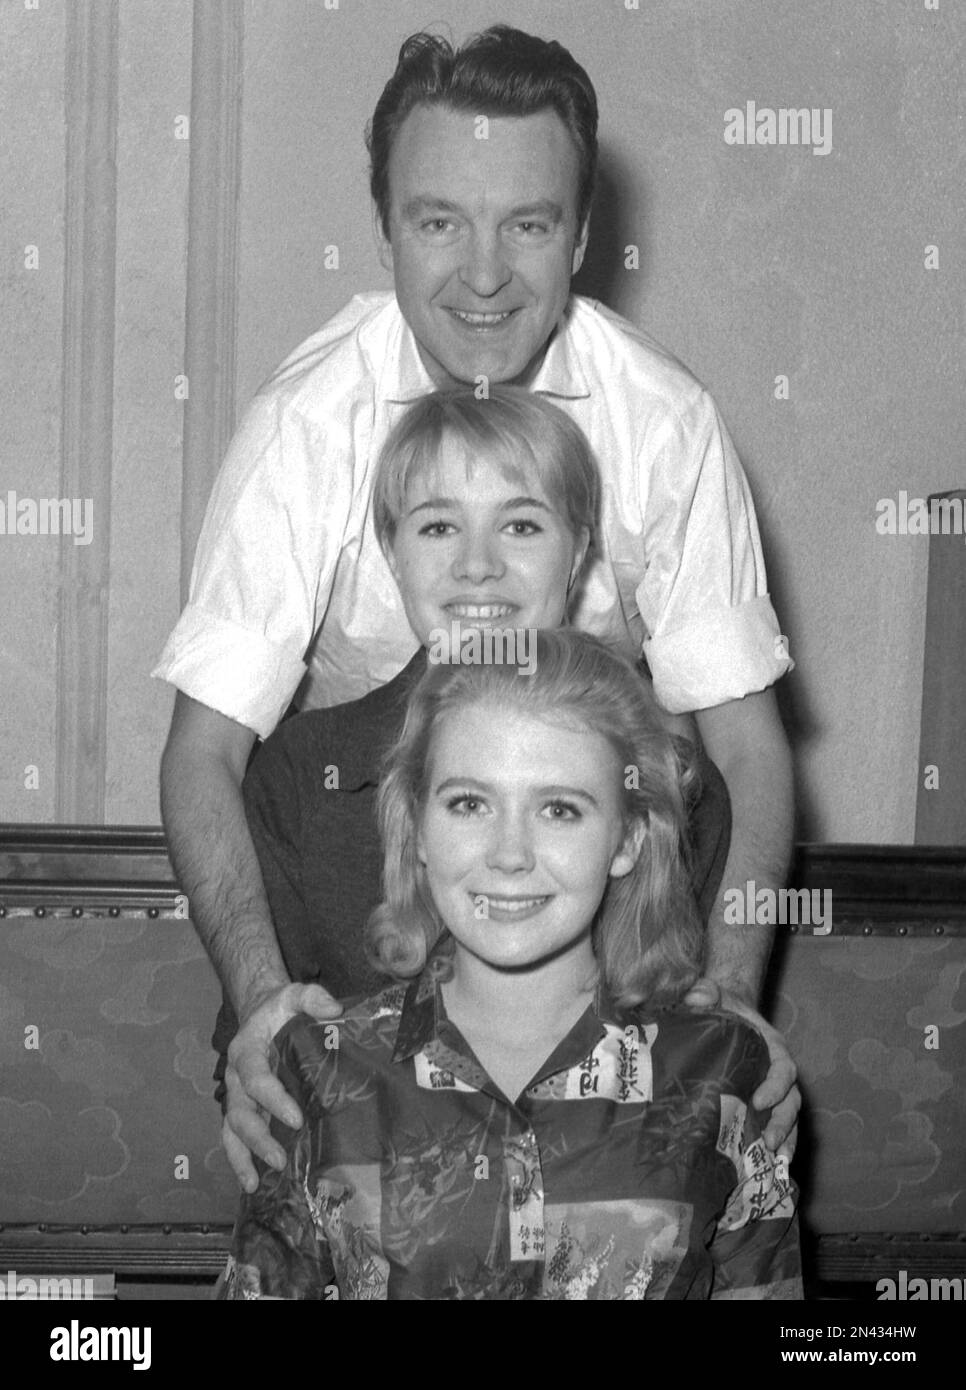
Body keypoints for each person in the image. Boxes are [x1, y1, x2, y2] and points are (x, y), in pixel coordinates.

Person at [155, 26, 798, 1184]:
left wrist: (728, 1010)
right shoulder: (307, 425)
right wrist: (261, 1006)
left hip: (597, 977)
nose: (485, 272)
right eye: (439, 220)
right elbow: (205, 752)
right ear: (386, 229)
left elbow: (747, 755)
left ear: (586, 235)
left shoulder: (666, 422)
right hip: (348, 944)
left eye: (529, 224)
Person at [221, 629, 802, 1300]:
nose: (509, 854)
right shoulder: (315, 1069)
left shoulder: (722, 1069)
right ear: (416, 829)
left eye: (560, 809)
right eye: (470, 804)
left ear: (629, 837)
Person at [216, 386, 732, 1132]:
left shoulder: (674, 783)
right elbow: (256, 1066)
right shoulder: (300, 774)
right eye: (438, 527)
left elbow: (696, 1058)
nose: (478, 566)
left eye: (521, 524)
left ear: (581, 548)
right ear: (391, 553)